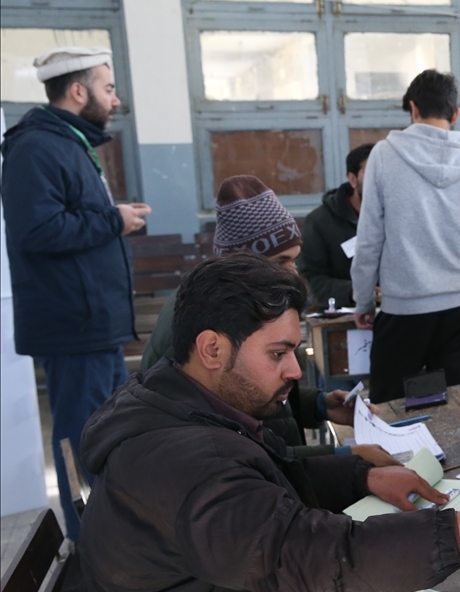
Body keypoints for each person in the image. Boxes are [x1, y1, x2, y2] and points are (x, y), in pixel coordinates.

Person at [59, 252, 460, 592]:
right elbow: (308, 556)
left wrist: (362, 476)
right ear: (212, 349)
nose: (296, 370)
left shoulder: (176, 402)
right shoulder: (189, 463)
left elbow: (263, 487)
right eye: (277, 354)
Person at [0, 46, 152, 541]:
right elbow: (36, 231)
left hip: (94, 323)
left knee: (106, 437)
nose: (116, 99)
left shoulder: (67, 142)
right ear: (78, 90)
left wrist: (114, 218)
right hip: (74, 326)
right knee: (80, 439)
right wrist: (115, 220)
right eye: (107, 88)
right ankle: (87, 545)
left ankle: (116, 540)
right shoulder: (36, 147)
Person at [140, 175, 394, 463]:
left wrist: (317, 404)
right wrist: (346, 458)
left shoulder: (225, 301)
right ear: (243, 264)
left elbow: (252, 395)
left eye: (294, 260)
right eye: (279, 262)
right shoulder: (211, 324)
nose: (293, 273)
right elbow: (252, 459)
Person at [352, 70, 460, 403]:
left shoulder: (384, 156)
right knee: (457, 407)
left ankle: (400, 459)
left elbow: (369, 238)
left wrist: (363, 300)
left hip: (403, 310)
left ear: (413, 108)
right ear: (456, 114)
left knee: (394, 408)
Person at [299, 142, 374, 310]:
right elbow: (309, 280)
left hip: (395, 313)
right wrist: (352, 292)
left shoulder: (398, 217)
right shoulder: (320, 222)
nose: (380, 180)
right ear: (353, 179)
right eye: (372, 173)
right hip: (343, 318)